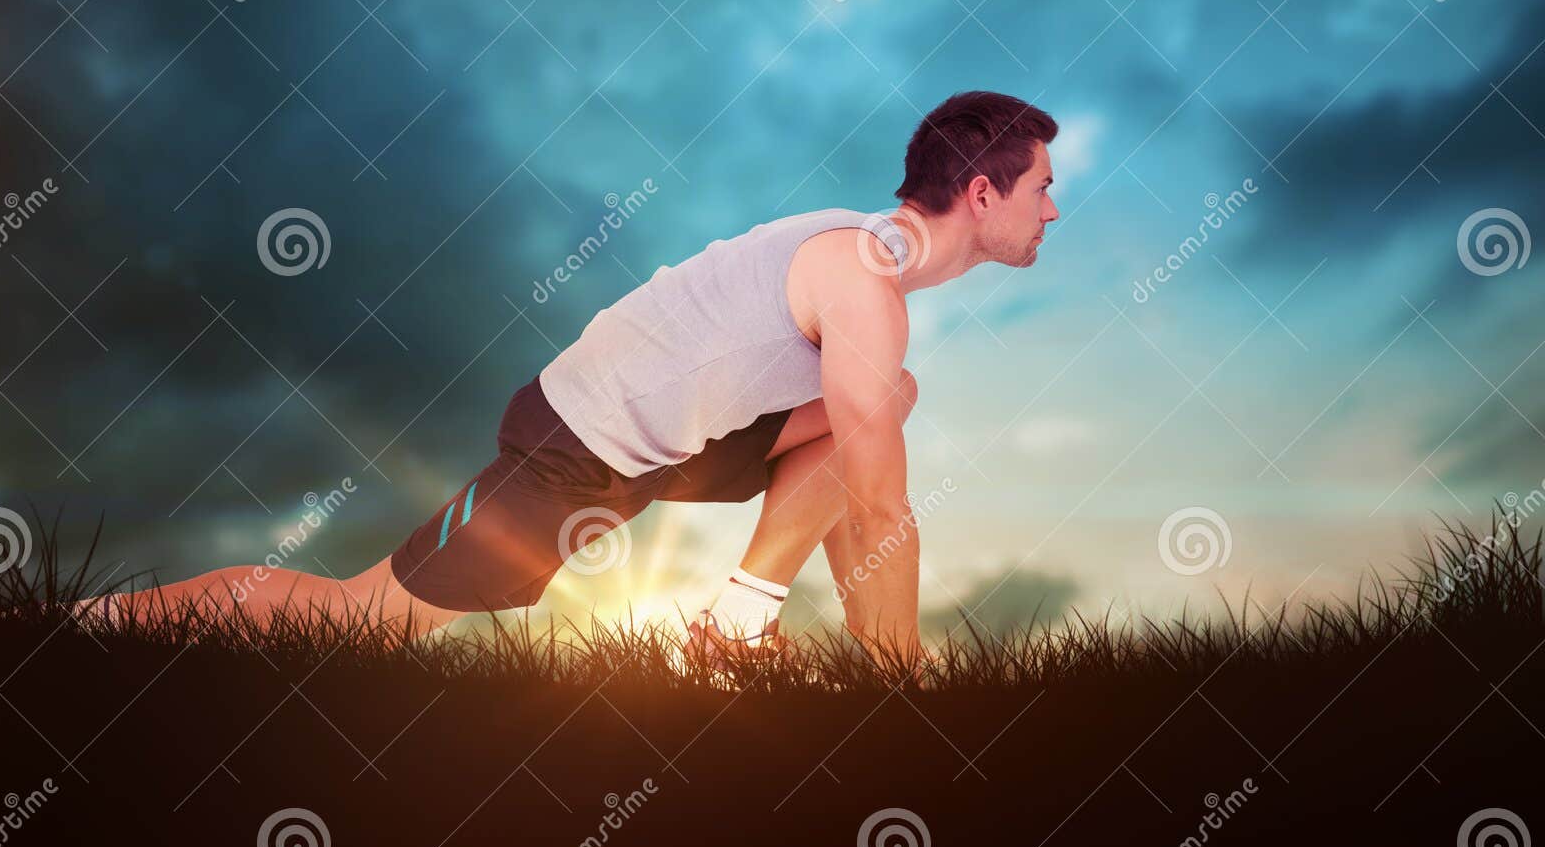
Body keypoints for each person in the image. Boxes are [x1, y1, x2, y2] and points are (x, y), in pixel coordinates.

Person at [83, 91, 1060, 680]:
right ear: (981, 193)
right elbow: (883, 503)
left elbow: (857, 485)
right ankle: (96, 623)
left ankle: (735, 621)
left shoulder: (867, 271)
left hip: (675, 442)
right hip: (574, 450)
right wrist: (902, 677)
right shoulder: (859, 274)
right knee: (359, 624)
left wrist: (886, 663)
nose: (1051, 209)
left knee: (884, 401)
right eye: (1040, 188)